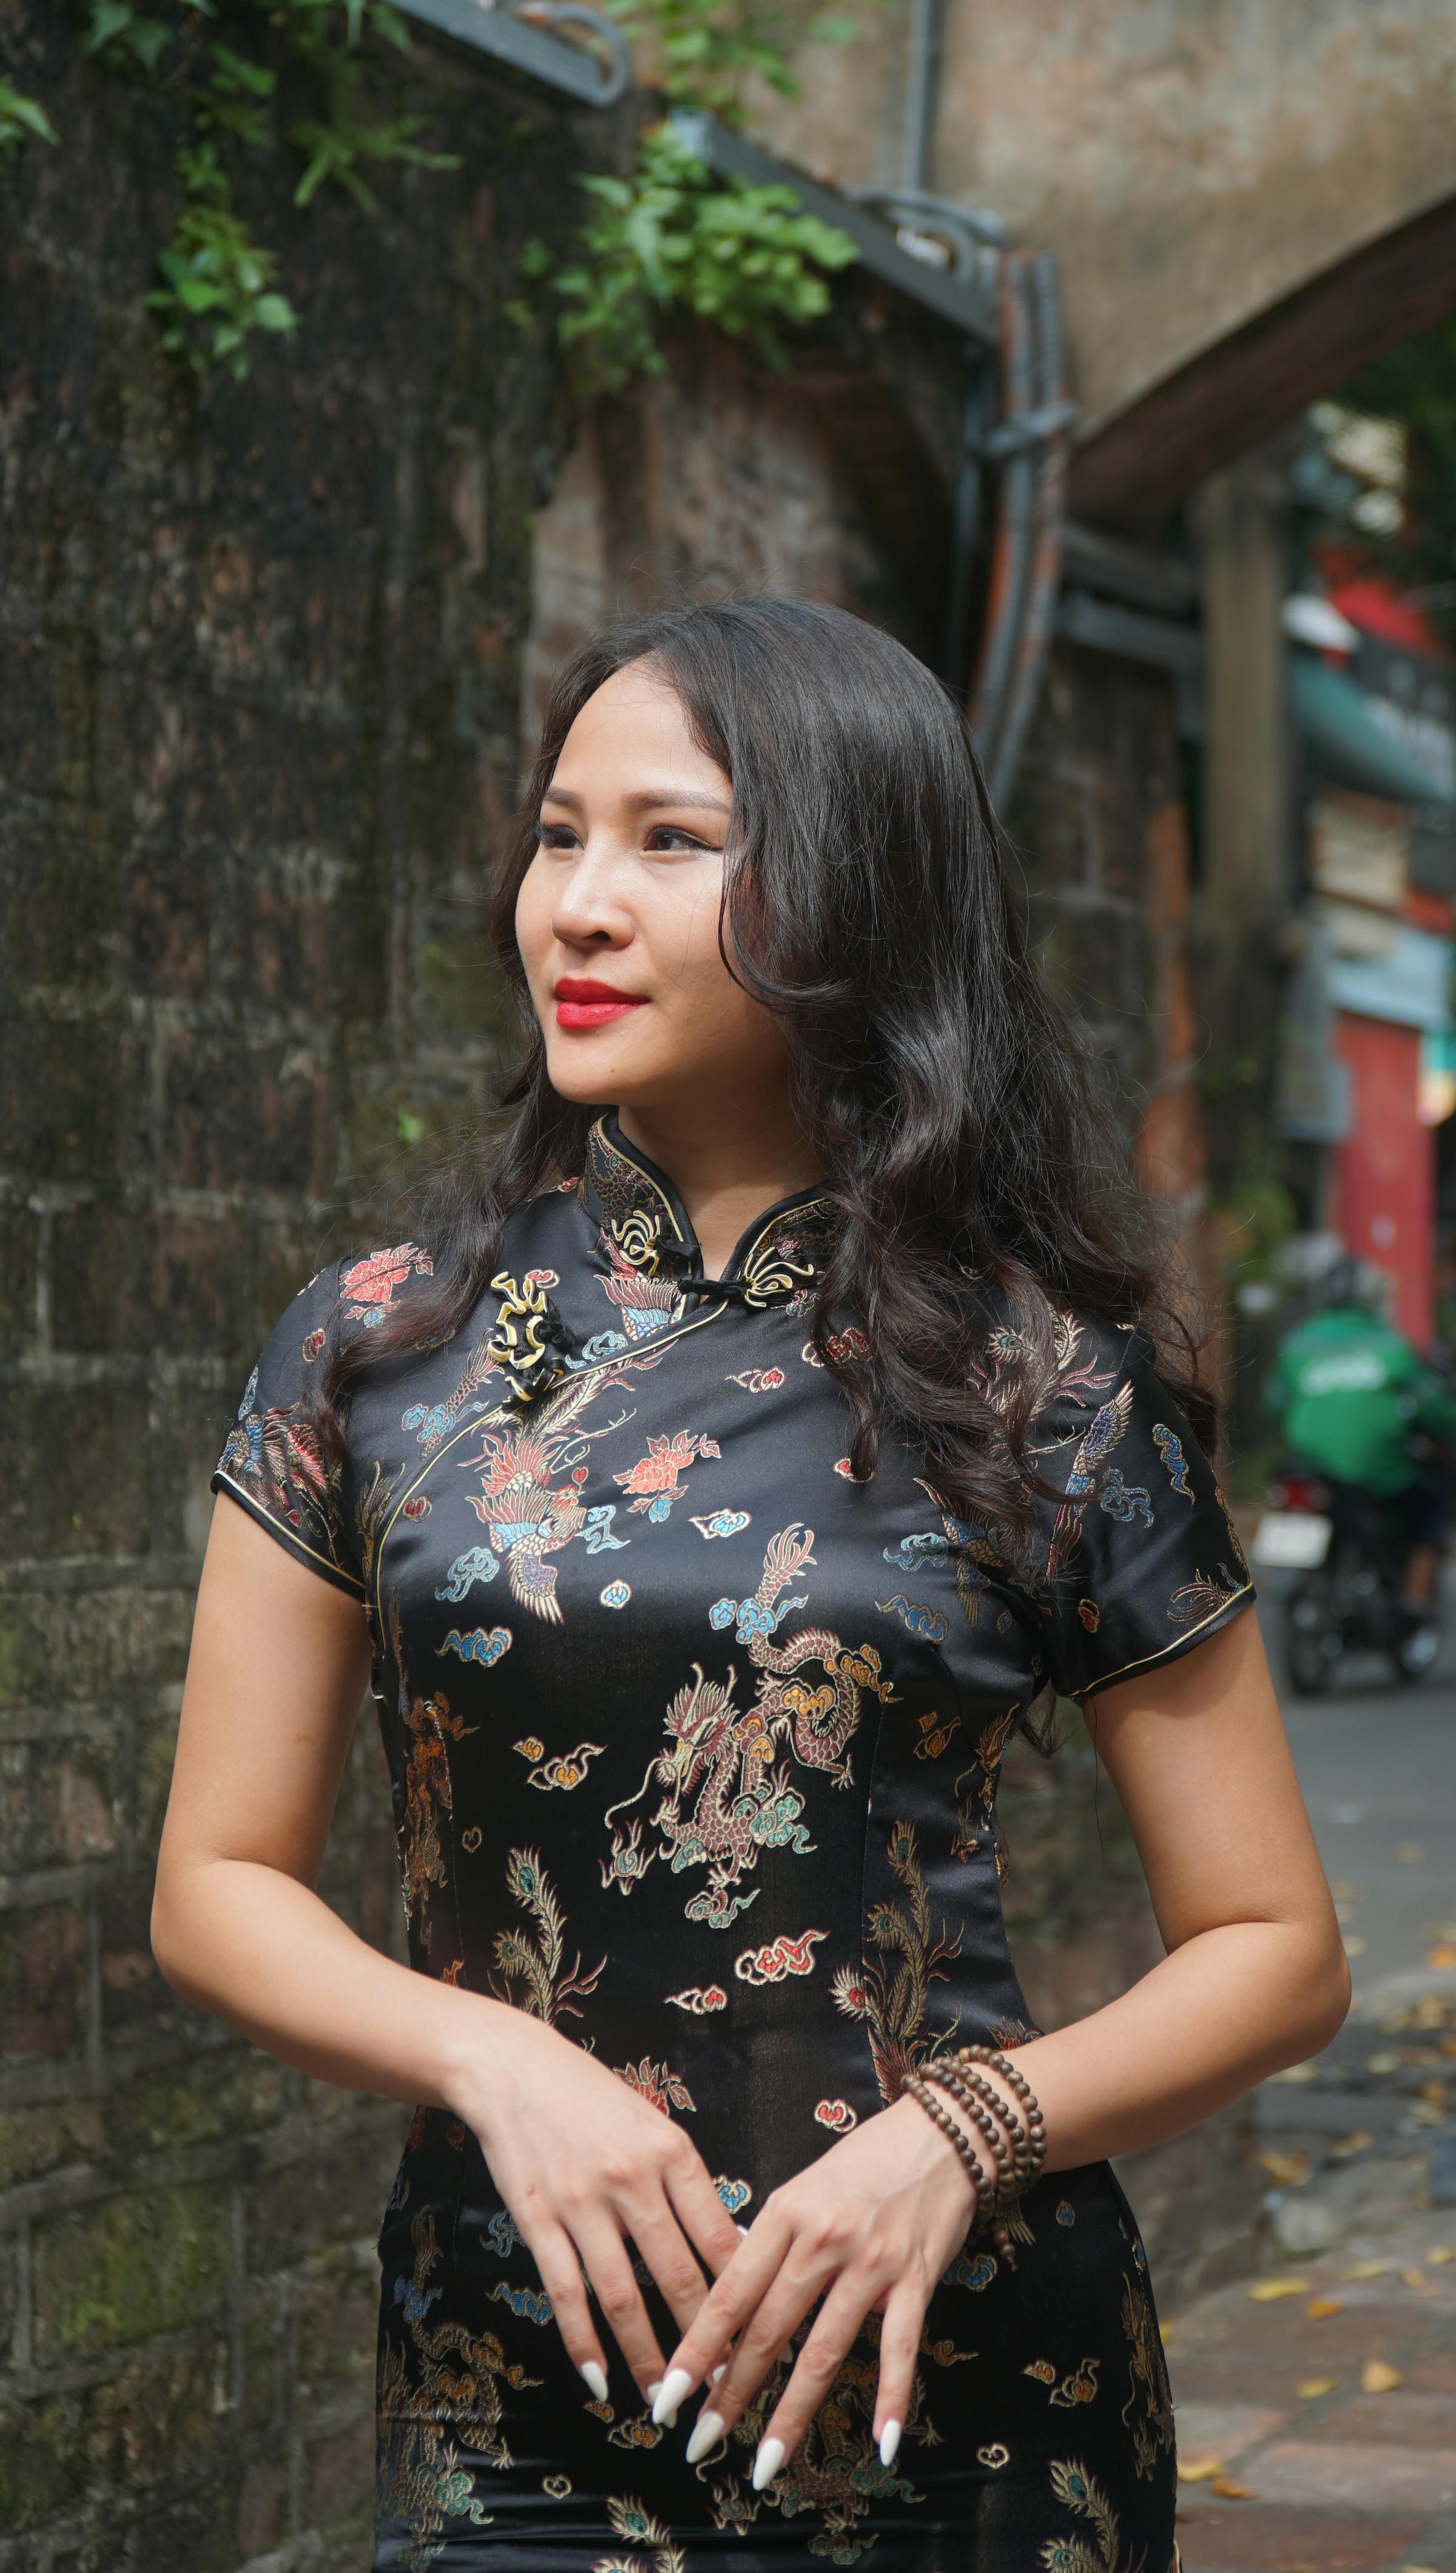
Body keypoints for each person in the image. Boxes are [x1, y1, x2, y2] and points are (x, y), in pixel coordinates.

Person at [152, 602, 1349, 2573]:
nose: (581, 905)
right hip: (512, 2387)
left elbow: (1276, 1944)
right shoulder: (379, 1347)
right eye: (558, 834)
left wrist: (958, 2139)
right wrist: (495, 2054)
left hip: (950, 2388)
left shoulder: (1036, 1376)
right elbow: (215, 1886)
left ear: (856, 888)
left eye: (671, 841)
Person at [1266, 1256, 1456, 1615]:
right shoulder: (1392, 1346)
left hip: (1305, 1466)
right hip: (1376, 1475)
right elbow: (1436, 1411)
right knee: (1432, 1498)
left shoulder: (1297, 1343)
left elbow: (1273, 1404)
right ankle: (1415, 1596)